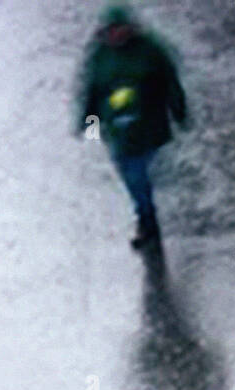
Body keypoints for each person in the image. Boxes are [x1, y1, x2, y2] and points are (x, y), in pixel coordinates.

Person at [75, 6, 187, 249]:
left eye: (120, 29)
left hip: (149, 127)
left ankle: (147, 222)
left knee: (140, 175)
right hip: (118, 132)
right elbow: (91, 91)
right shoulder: (99, 55)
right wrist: (87, 120)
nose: (116, 35)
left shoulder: (150, 50)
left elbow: (170, 81)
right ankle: (146, 218)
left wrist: (178, 111)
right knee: (132, 176)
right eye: (111, 31)